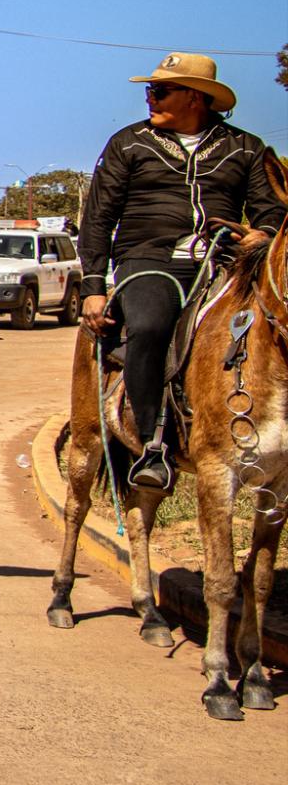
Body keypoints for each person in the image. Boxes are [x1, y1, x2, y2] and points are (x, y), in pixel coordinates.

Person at [78, 52, 282, 490]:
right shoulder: (128, 143)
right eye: (151, 90)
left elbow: (271, 212)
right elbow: (97, 219)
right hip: (148, 260)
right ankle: (153, 445)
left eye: (160, 91)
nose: (150, 98)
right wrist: (93, 287)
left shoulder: (245, 148)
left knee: (269, 327)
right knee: (150, 326)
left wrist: (261, 234)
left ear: (195, 97)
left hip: (224, 262)